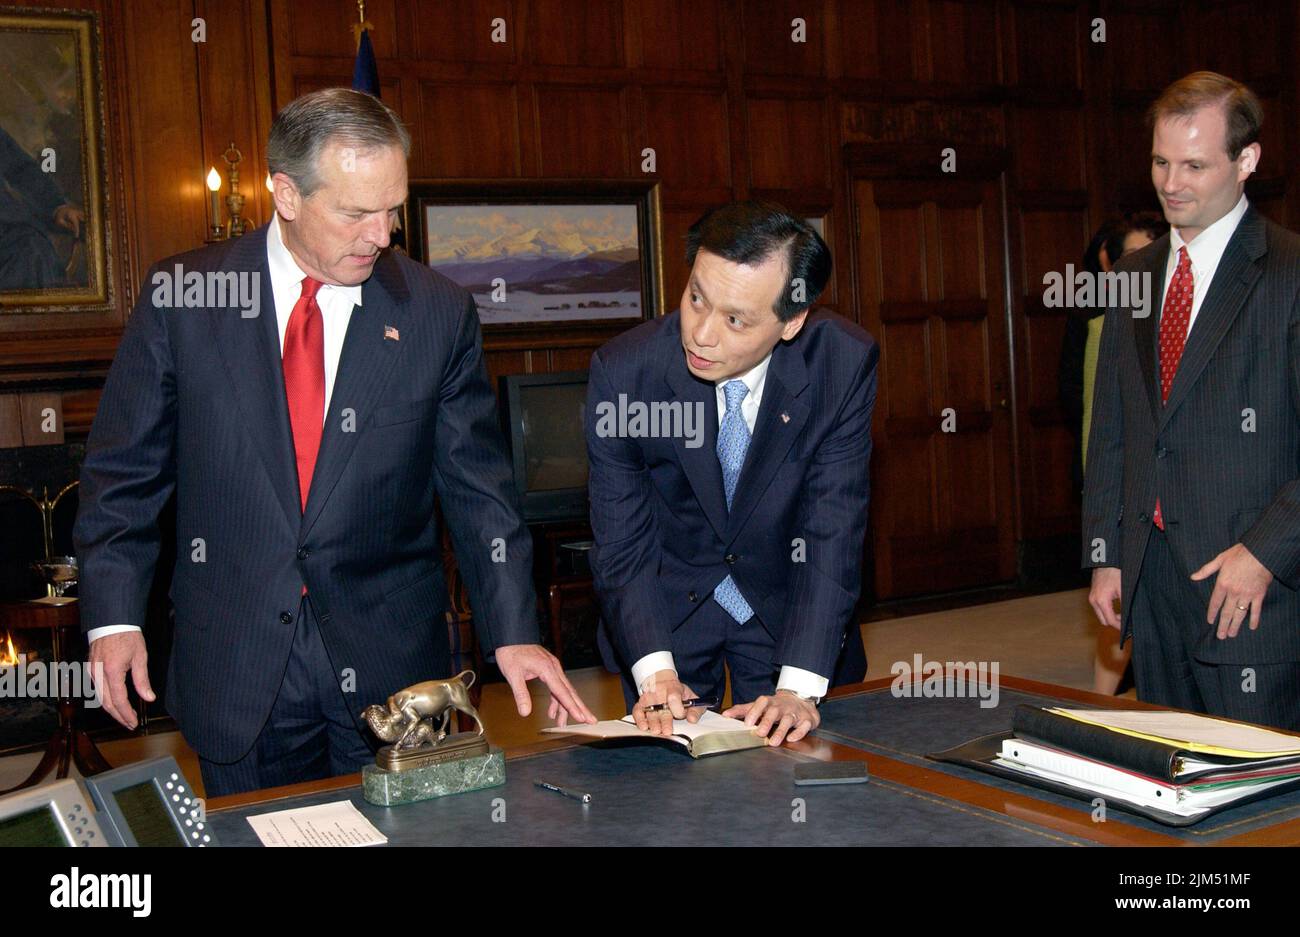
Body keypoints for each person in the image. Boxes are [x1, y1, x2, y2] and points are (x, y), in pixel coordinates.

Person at [74, 88, 595, 797]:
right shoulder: (184, 298)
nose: (381, 236)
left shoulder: (435, 313)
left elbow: (477, 489)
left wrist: (513, 628)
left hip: (395, 673)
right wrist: (112, 616)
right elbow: (122, 474)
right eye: (355, 213)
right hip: (238, 663)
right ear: (285, 194)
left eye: (392, 210)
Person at [585, 200, 877, 747]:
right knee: (667, 796)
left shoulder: (840, 364)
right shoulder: (626, 373)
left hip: (785, 605)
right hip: (664, 610)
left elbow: (832, 529)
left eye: (735, 319)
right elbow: (622, 540)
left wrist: (798, 688)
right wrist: (655, 672)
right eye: (696, 298)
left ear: (792, 321)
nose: (700, 333)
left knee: (798, 782)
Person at [1083, 71, 1300, 729]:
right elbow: (1114, 429)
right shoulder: (1132, 279)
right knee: (1169, 786)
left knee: (1261, 800)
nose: (1171, 182)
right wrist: (1106, 552)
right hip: (1152, 587)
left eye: (1195, 165)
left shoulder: (1289, 274)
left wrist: (1265, 551)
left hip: (1252, 589)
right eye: (1160, 161)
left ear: (1247, 161)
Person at [1058, 214, 1165, 695]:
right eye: (1133, 258)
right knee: (1123, 614)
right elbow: (1096, 423)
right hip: (1126, 492)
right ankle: (1100, 707)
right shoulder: (1103, 328)